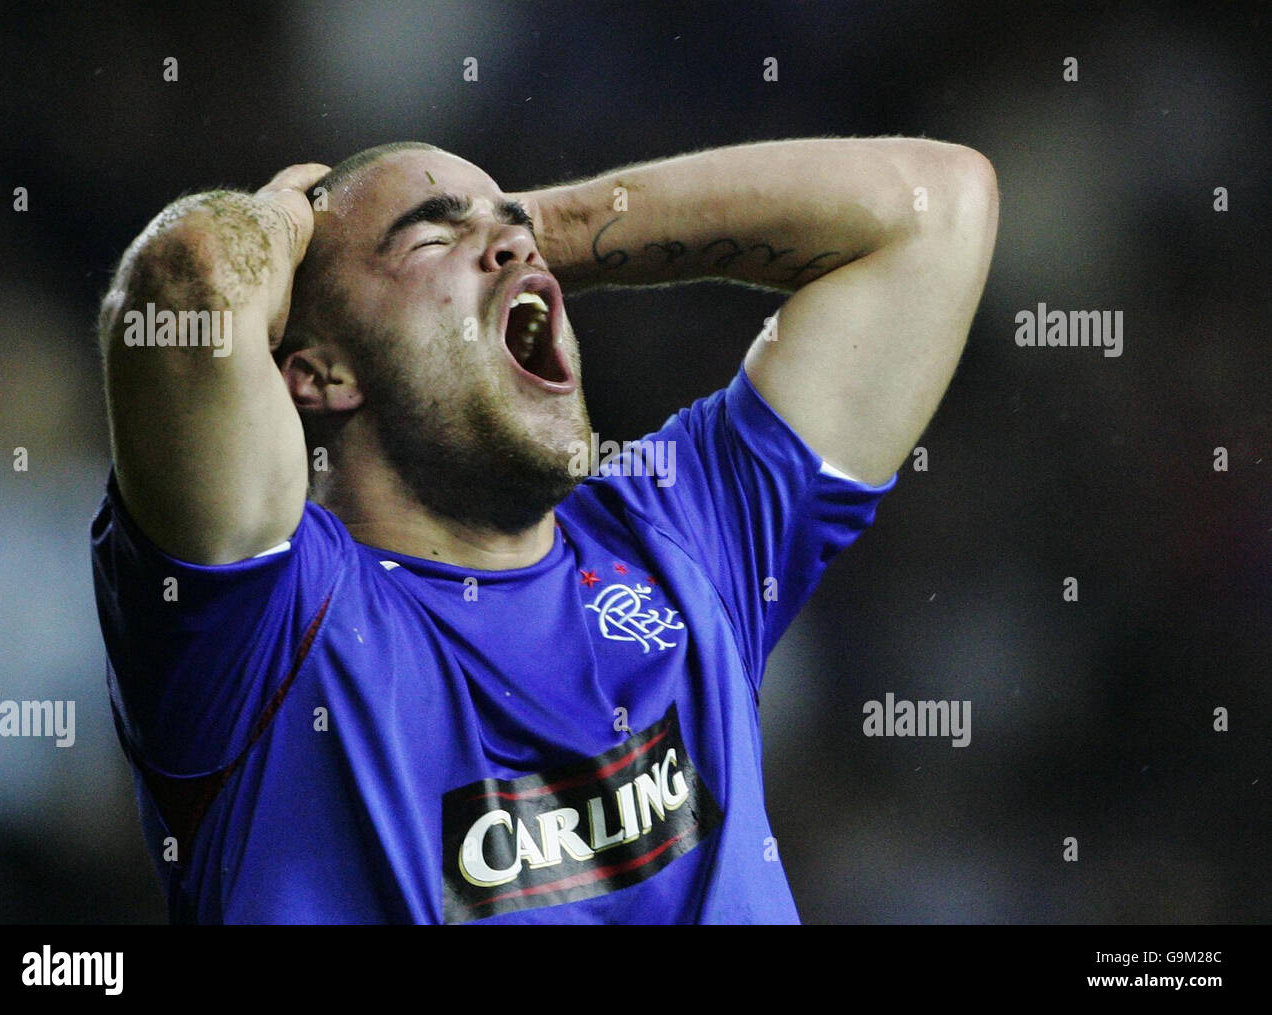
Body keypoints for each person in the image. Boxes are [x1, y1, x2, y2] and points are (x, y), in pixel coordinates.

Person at [90, 137, 998, 923]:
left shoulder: (680, 532)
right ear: (318, 374)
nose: (512, 245)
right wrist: (288, 216)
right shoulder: (263, 624)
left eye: (514, 230)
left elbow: (935, 207)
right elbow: (188, 279)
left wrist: (537, 232)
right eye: (429, 237)